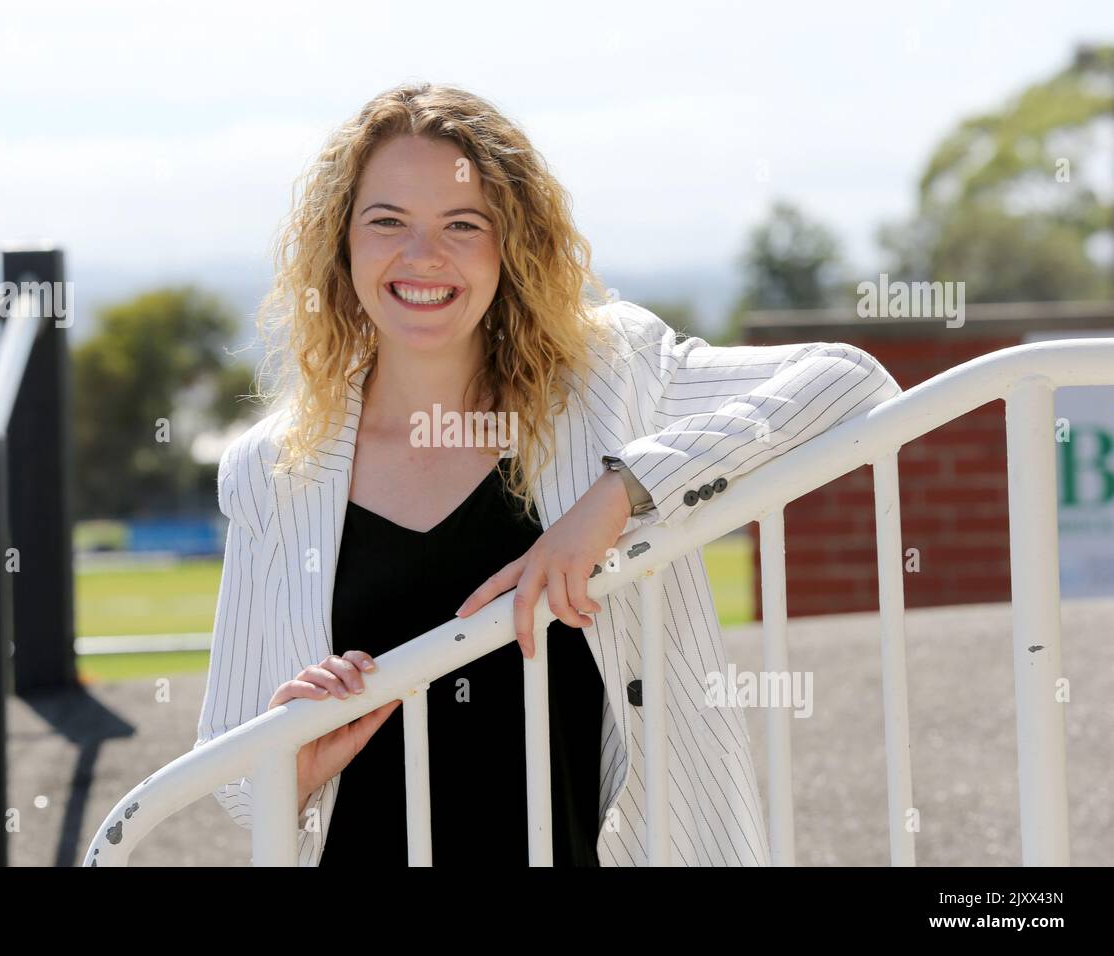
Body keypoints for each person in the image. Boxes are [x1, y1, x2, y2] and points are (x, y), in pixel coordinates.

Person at [195, 81, 902, 866]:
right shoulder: (274, 469)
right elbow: (232, 769)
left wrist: (622, 492)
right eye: (387, 221)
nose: (421, 256)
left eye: (462, 224)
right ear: (343, 244)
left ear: (512, 245)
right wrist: (291, 759)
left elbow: (850, 384)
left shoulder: (612, 381)